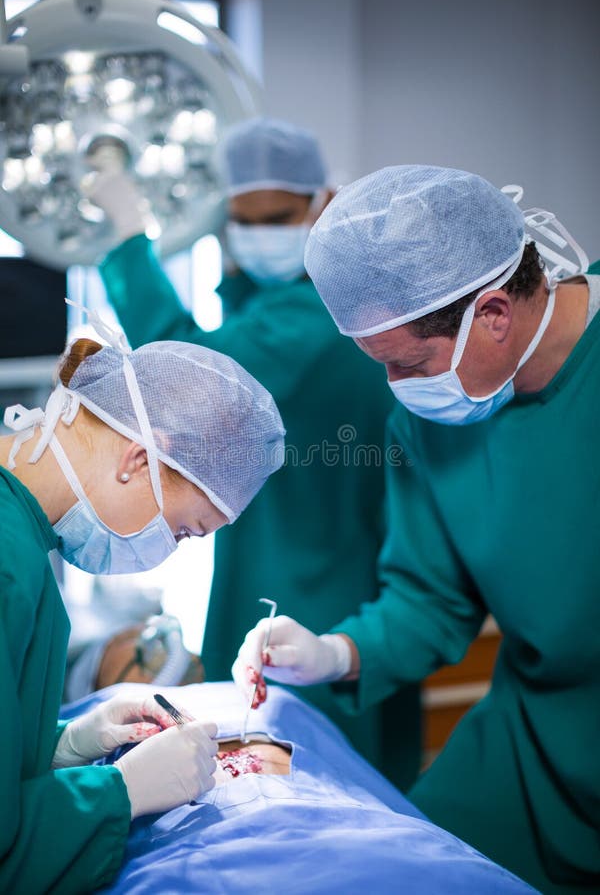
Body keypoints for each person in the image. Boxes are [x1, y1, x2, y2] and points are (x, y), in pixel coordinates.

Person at [233, 166, 600, 895]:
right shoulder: (434, 420)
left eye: (409, 363)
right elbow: (430, 599)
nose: (398, 389)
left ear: (493, 314)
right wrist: (335, 653)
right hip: (532, 740)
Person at [87, 117, 420, 790]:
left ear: (323, 203)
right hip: (274, 572)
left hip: (320, 592)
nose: (259, 233)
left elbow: (185, 371)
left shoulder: (317, 314)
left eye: (277, 218)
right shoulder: (277, 305)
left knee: (322, 786)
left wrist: (128, 241)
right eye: (243, 220)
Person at [0, 315, 285, 893]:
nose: (169, 549)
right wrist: (120, 793)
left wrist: (60, 745)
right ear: (136, 461)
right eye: (183, 531)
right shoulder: (8, 560)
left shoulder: (21, 537)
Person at [60, 682, 537, 895]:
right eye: (128, 650)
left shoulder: (274, 704)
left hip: (392, 852)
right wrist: (78, 754)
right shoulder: (82, 732)